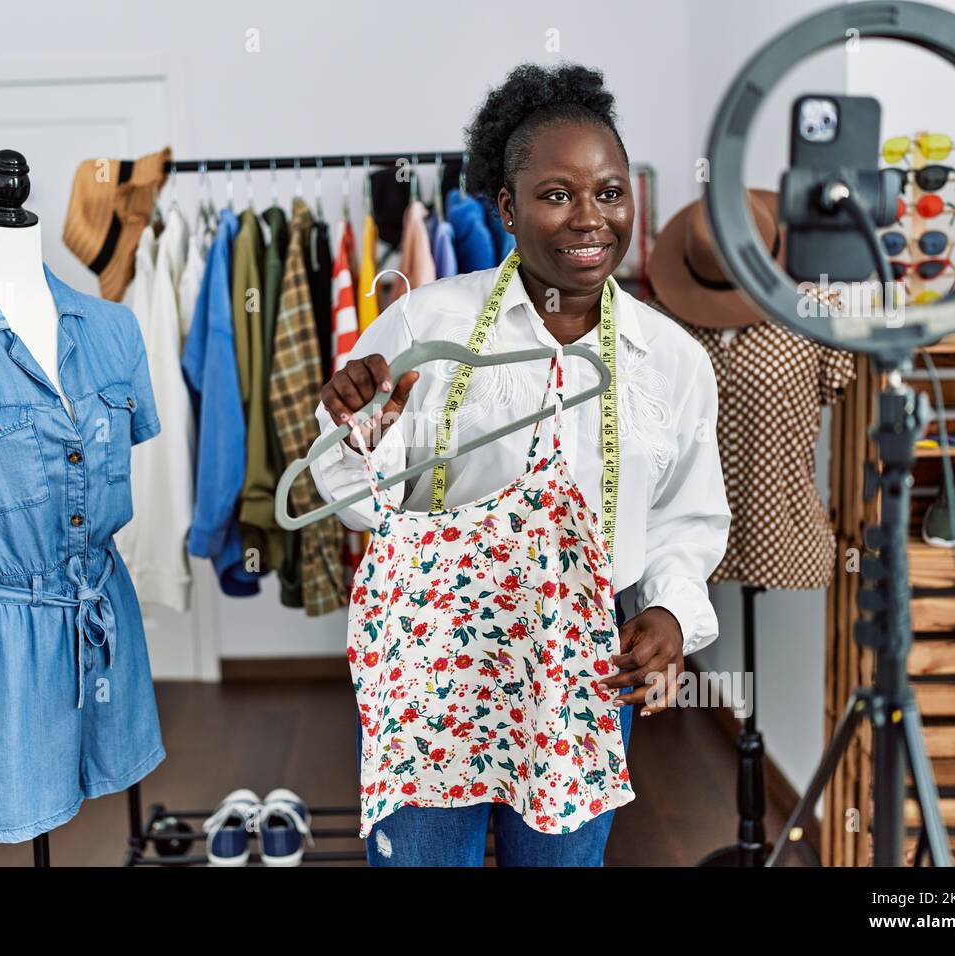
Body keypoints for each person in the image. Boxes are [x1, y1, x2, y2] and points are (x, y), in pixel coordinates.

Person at [310, 62, 730, 866]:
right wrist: (360, 426)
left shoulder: (670, 358)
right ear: (506, 206)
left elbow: (688, 514)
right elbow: (350, 496)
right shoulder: (423, 323)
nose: (591, 218)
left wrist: (673, 613)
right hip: (432, 654)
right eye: (557, 193)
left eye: (610, 191)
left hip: (584, 658)